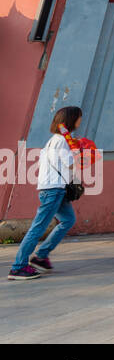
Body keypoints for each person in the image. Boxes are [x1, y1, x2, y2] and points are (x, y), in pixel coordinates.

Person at [8, 107, 84, 281]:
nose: (81, 120)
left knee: (68, 220)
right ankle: (18, 267)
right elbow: (71, 164)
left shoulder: (55, 140)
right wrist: (81, 152)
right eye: (79, 117)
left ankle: (41, 257)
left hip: (55, 188)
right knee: (38, 227)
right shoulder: (61, 141)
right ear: (72, 120)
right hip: (53, 190)